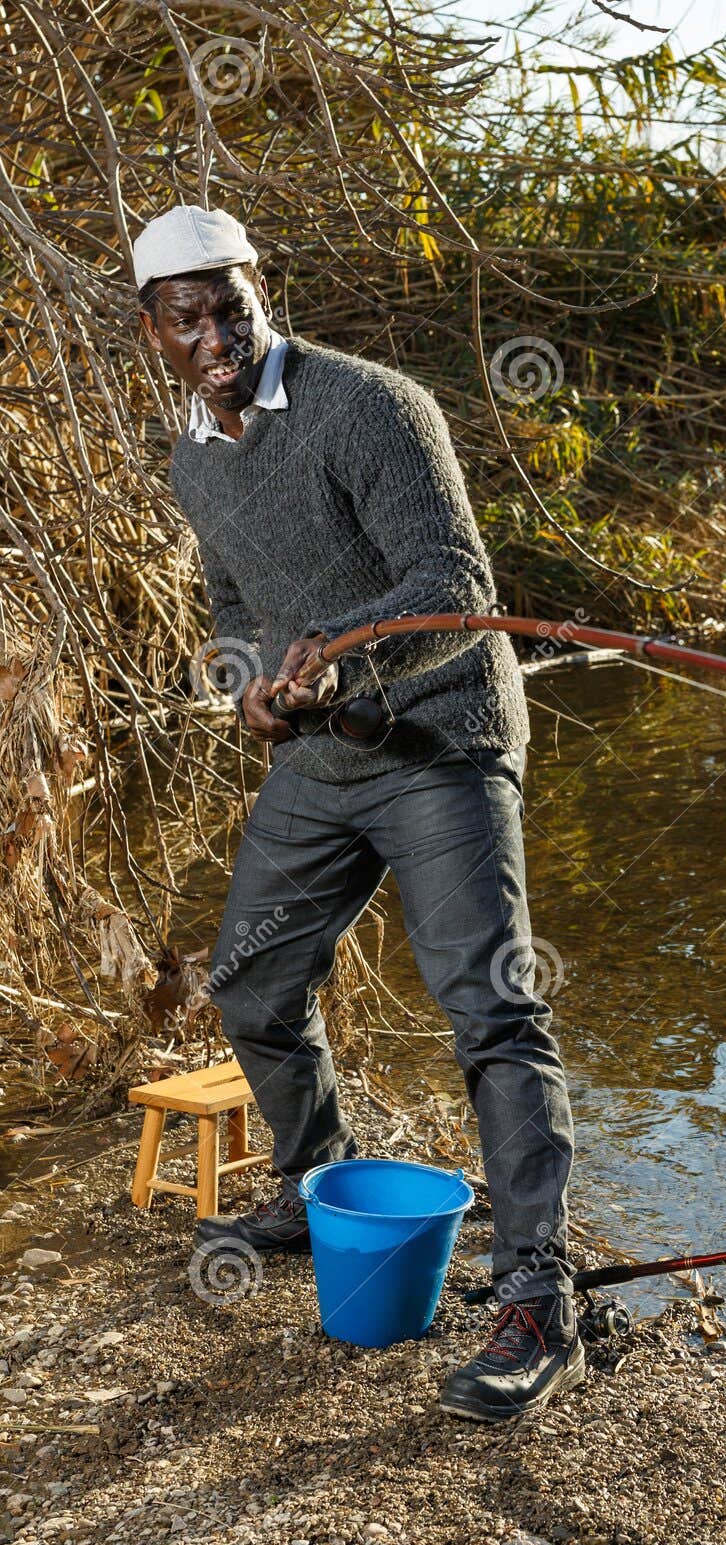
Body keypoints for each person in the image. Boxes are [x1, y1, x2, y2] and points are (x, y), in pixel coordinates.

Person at [133, 204, 580, 1421]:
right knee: (251, 981)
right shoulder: (189, 457)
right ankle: (317, 1181)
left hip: (440, 737)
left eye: (234, 303)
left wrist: (339, 662)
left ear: (259, 289)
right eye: (191, 317)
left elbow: (453, 582)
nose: (218, 332)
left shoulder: (372, 406)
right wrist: (252, 698)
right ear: (155, 332)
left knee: (491, 1004)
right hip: (322, 756)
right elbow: (235, 612)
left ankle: (537, 1294)